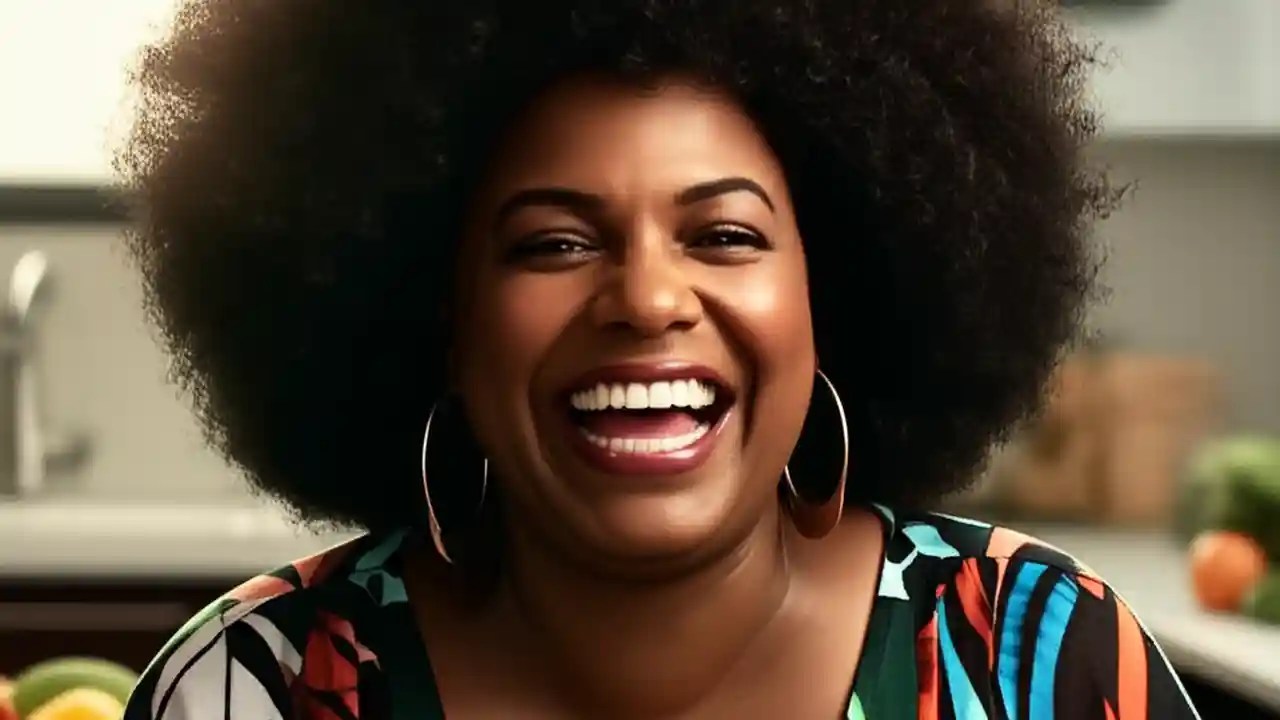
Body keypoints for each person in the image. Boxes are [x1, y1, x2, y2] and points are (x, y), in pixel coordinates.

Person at [116, 0, 1199, 717]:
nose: (644, 298)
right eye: (553, 243)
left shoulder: (1044, 662)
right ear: (438, 317)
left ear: (834, 291)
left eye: (724, 235)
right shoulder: (249, 689)